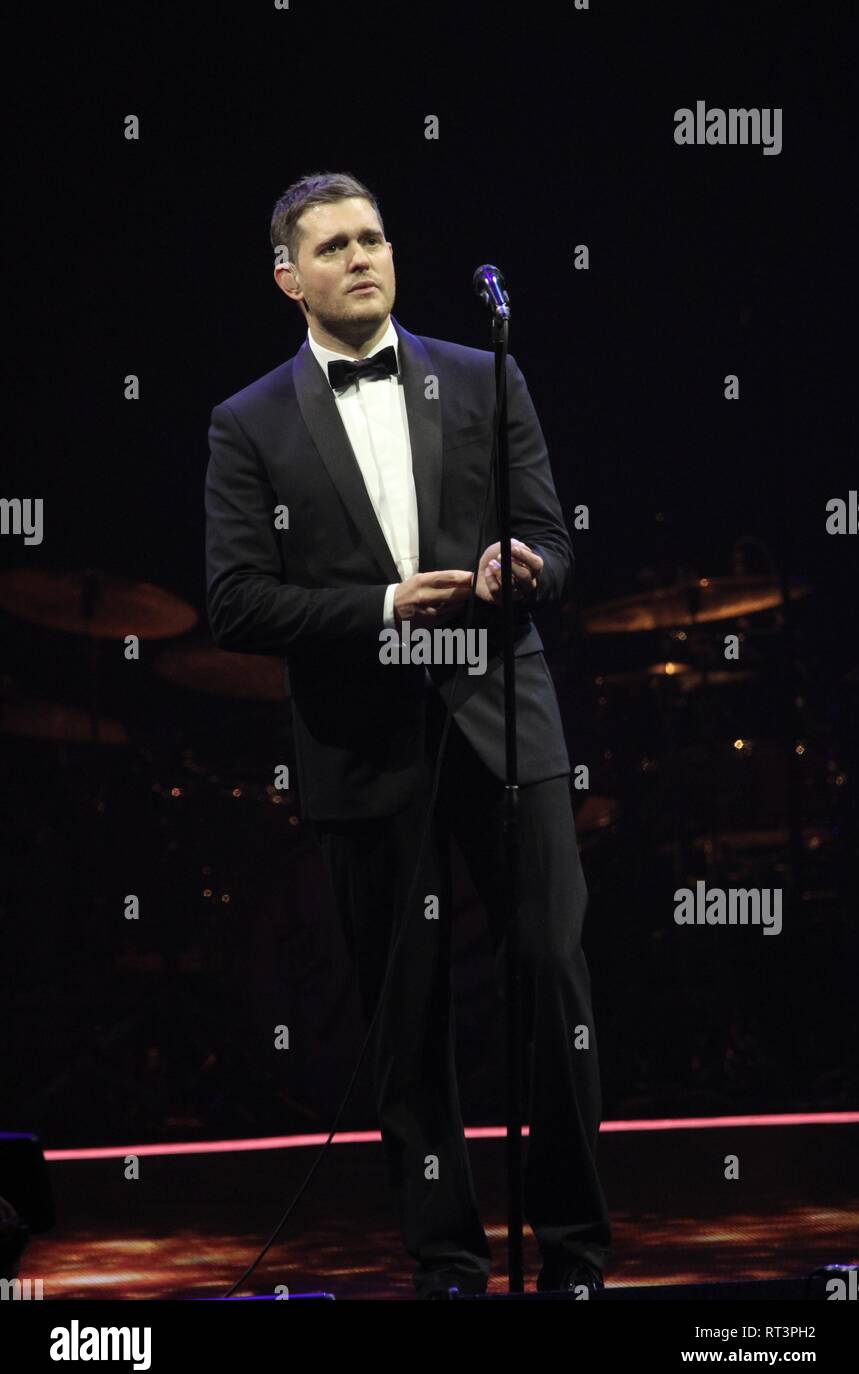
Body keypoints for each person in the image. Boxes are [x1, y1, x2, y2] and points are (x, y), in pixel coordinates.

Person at [205, 170, 611, 1298]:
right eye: (332, 246)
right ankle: (447, 1261)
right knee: (407, 1011)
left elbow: (553, 544)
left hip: (502, 718)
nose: (361, 258)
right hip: (364, 743)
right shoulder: (247, 422)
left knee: (552, 975)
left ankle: (575, 1253)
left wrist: (523, 569)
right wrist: (383, 608)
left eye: (373, 238)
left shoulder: (486, 375)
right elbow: (235, 602)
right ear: (288, 278)